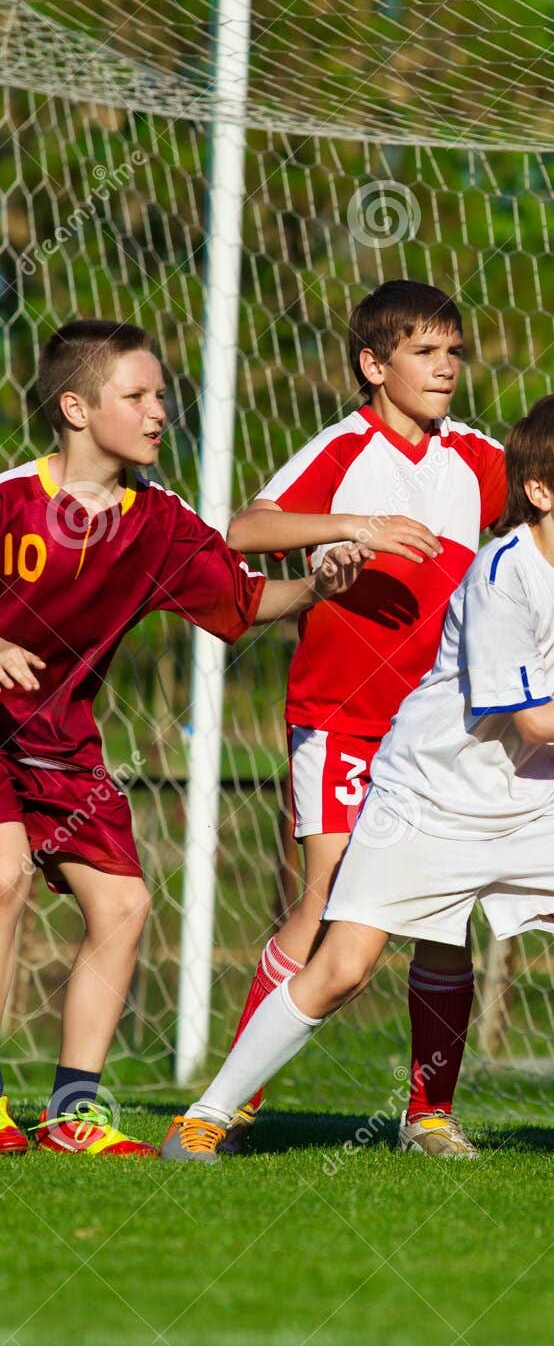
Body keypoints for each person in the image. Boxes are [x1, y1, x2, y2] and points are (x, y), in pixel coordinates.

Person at [162, 391, 554, 1177]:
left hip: (528, 810)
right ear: (535, 490)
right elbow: (533, 721)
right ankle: (205, 1117)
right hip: (424, 802)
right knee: (341, 968)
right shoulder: (502, 574)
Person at [0, 320, 363, 1159]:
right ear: (77, 408)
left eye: (161, 394)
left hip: (58, 741)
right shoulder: (12, 500)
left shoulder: (157, 522)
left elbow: (241, 603)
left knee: (123, 905)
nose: (159, 411)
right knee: (7, 875)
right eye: (137, 396)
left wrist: (314, 584)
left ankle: (72, 1114)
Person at [217, 280, 506, 1160]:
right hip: (343, 718)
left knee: (445, 920)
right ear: (373, 365)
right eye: (424, 353)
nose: (445, 368)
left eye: (453, 351)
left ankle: (427, 1114)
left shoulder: (480, 458)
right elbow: (241, 529)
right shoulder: (343, 448)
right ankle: (230, 1102)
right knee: (327, 908)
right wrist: (355, 527)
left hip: (443, 728)